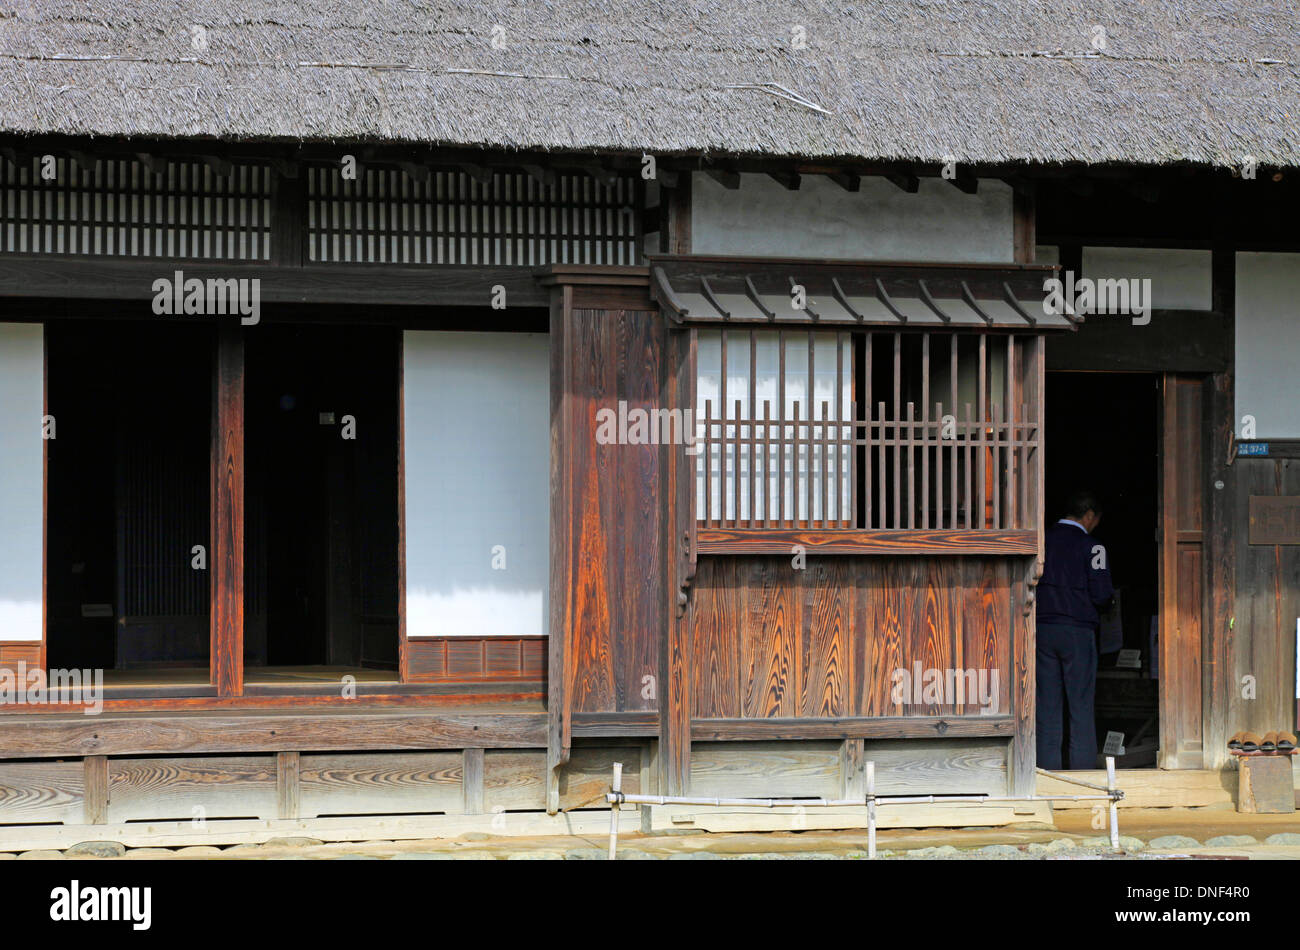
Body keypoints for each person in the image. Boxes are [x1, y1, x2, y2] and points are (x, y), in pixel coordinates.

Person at [1035, 490, 1114, 770]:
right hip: (1078, 632)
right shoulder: (1093, 547)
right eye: (1096, 519)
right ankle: (1083, 772)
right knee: (1080, 706)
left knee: (1046, 706)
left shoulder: (1040, 541)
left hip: (1042, 629)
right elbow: (1102, 594)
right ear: (1089, 515)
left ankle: (1047, 771)